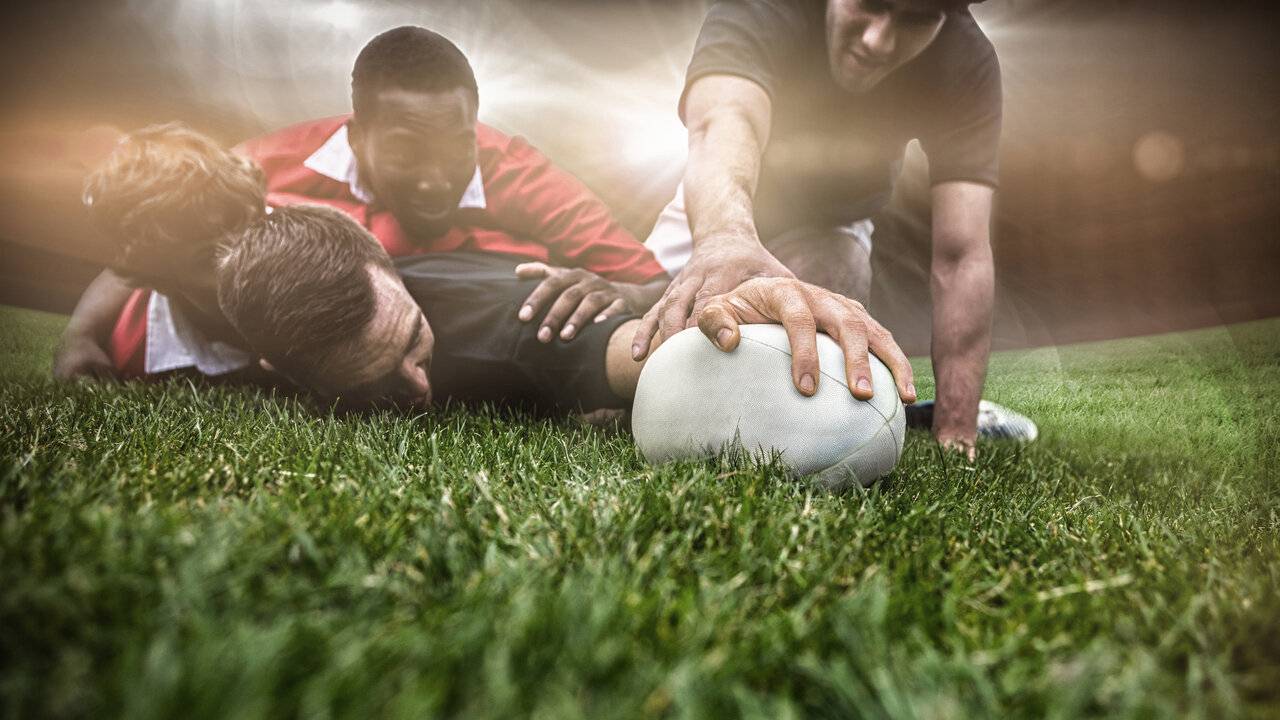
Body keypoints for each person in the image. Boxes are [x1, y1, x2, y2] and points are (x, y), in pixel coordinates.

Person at [54, 26, 667, 381]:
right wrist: (80, 336)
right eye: (405, 153)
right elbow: (151, 235)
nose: (433, 181)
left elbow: (652, 281)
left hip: (460, 301)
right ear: (356, 135)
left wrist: (623, 293)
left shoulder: (519, 176)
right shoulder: (268, 165)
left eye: (455, 149)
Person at [633, 0, 1036, 457]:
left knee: (802, 348)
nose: (877, 41)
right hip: (720, 203)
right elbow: (723, 121)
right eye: (870, 4)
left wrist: (956, 429)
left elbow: (961, 254)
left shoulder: (965, 58)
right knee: (622, 367)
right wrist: (724, 237)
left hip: (833, 223)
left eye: (915, 20)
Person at [215, 204, 917, 416]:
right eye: (374, 387)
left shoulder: (521, 320)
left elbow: (649, 354)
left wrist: (745, 307)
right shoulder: (239, 349)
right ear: (285, 367)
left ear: (387, 261)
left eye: (413, 344)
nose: (420, 389)